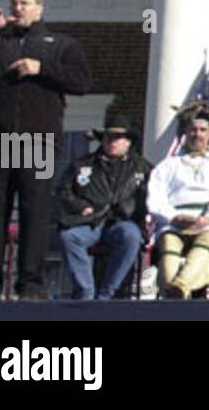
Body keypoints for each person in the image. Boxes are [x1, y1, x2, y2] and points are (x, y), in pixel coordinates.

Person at [0, 0, 92, 299]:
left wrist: (40, 68)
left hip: (39, 141)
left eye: (25, 3)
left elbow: (81, 81)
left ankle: (30, 285)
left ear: (40, 8)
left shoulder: (59, 44)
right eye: (15, 3)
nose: (18, 9)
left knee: (35, 211)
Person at [55, 116, 152, 300]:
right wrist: (80, 206)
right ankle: (85, 291)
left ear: (128, 142)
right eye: (108, 137)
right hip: (89, 222)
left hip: (122, 222)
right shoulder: (83, 165)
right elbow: (64, 191)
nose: (112, 142)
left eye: (118, 138)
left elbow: (153, 196)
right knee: (69, 236)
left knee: (131, 236)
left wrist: (136, 212)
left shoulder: (143, 168)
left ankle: (108, 293)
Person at [147, 105, 209, 299]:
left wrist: (207, 220)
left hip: (206, 224)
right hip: (173, 223)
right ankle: (172, 295)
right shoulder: (168, 165)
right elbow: (156, 198)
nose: (197, 134)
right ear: (185, 132)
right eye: (193, 129)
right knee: (168, 247)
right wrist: (173, 217)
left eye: (203, 130)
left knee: (207, 241)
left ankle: (179, 287)